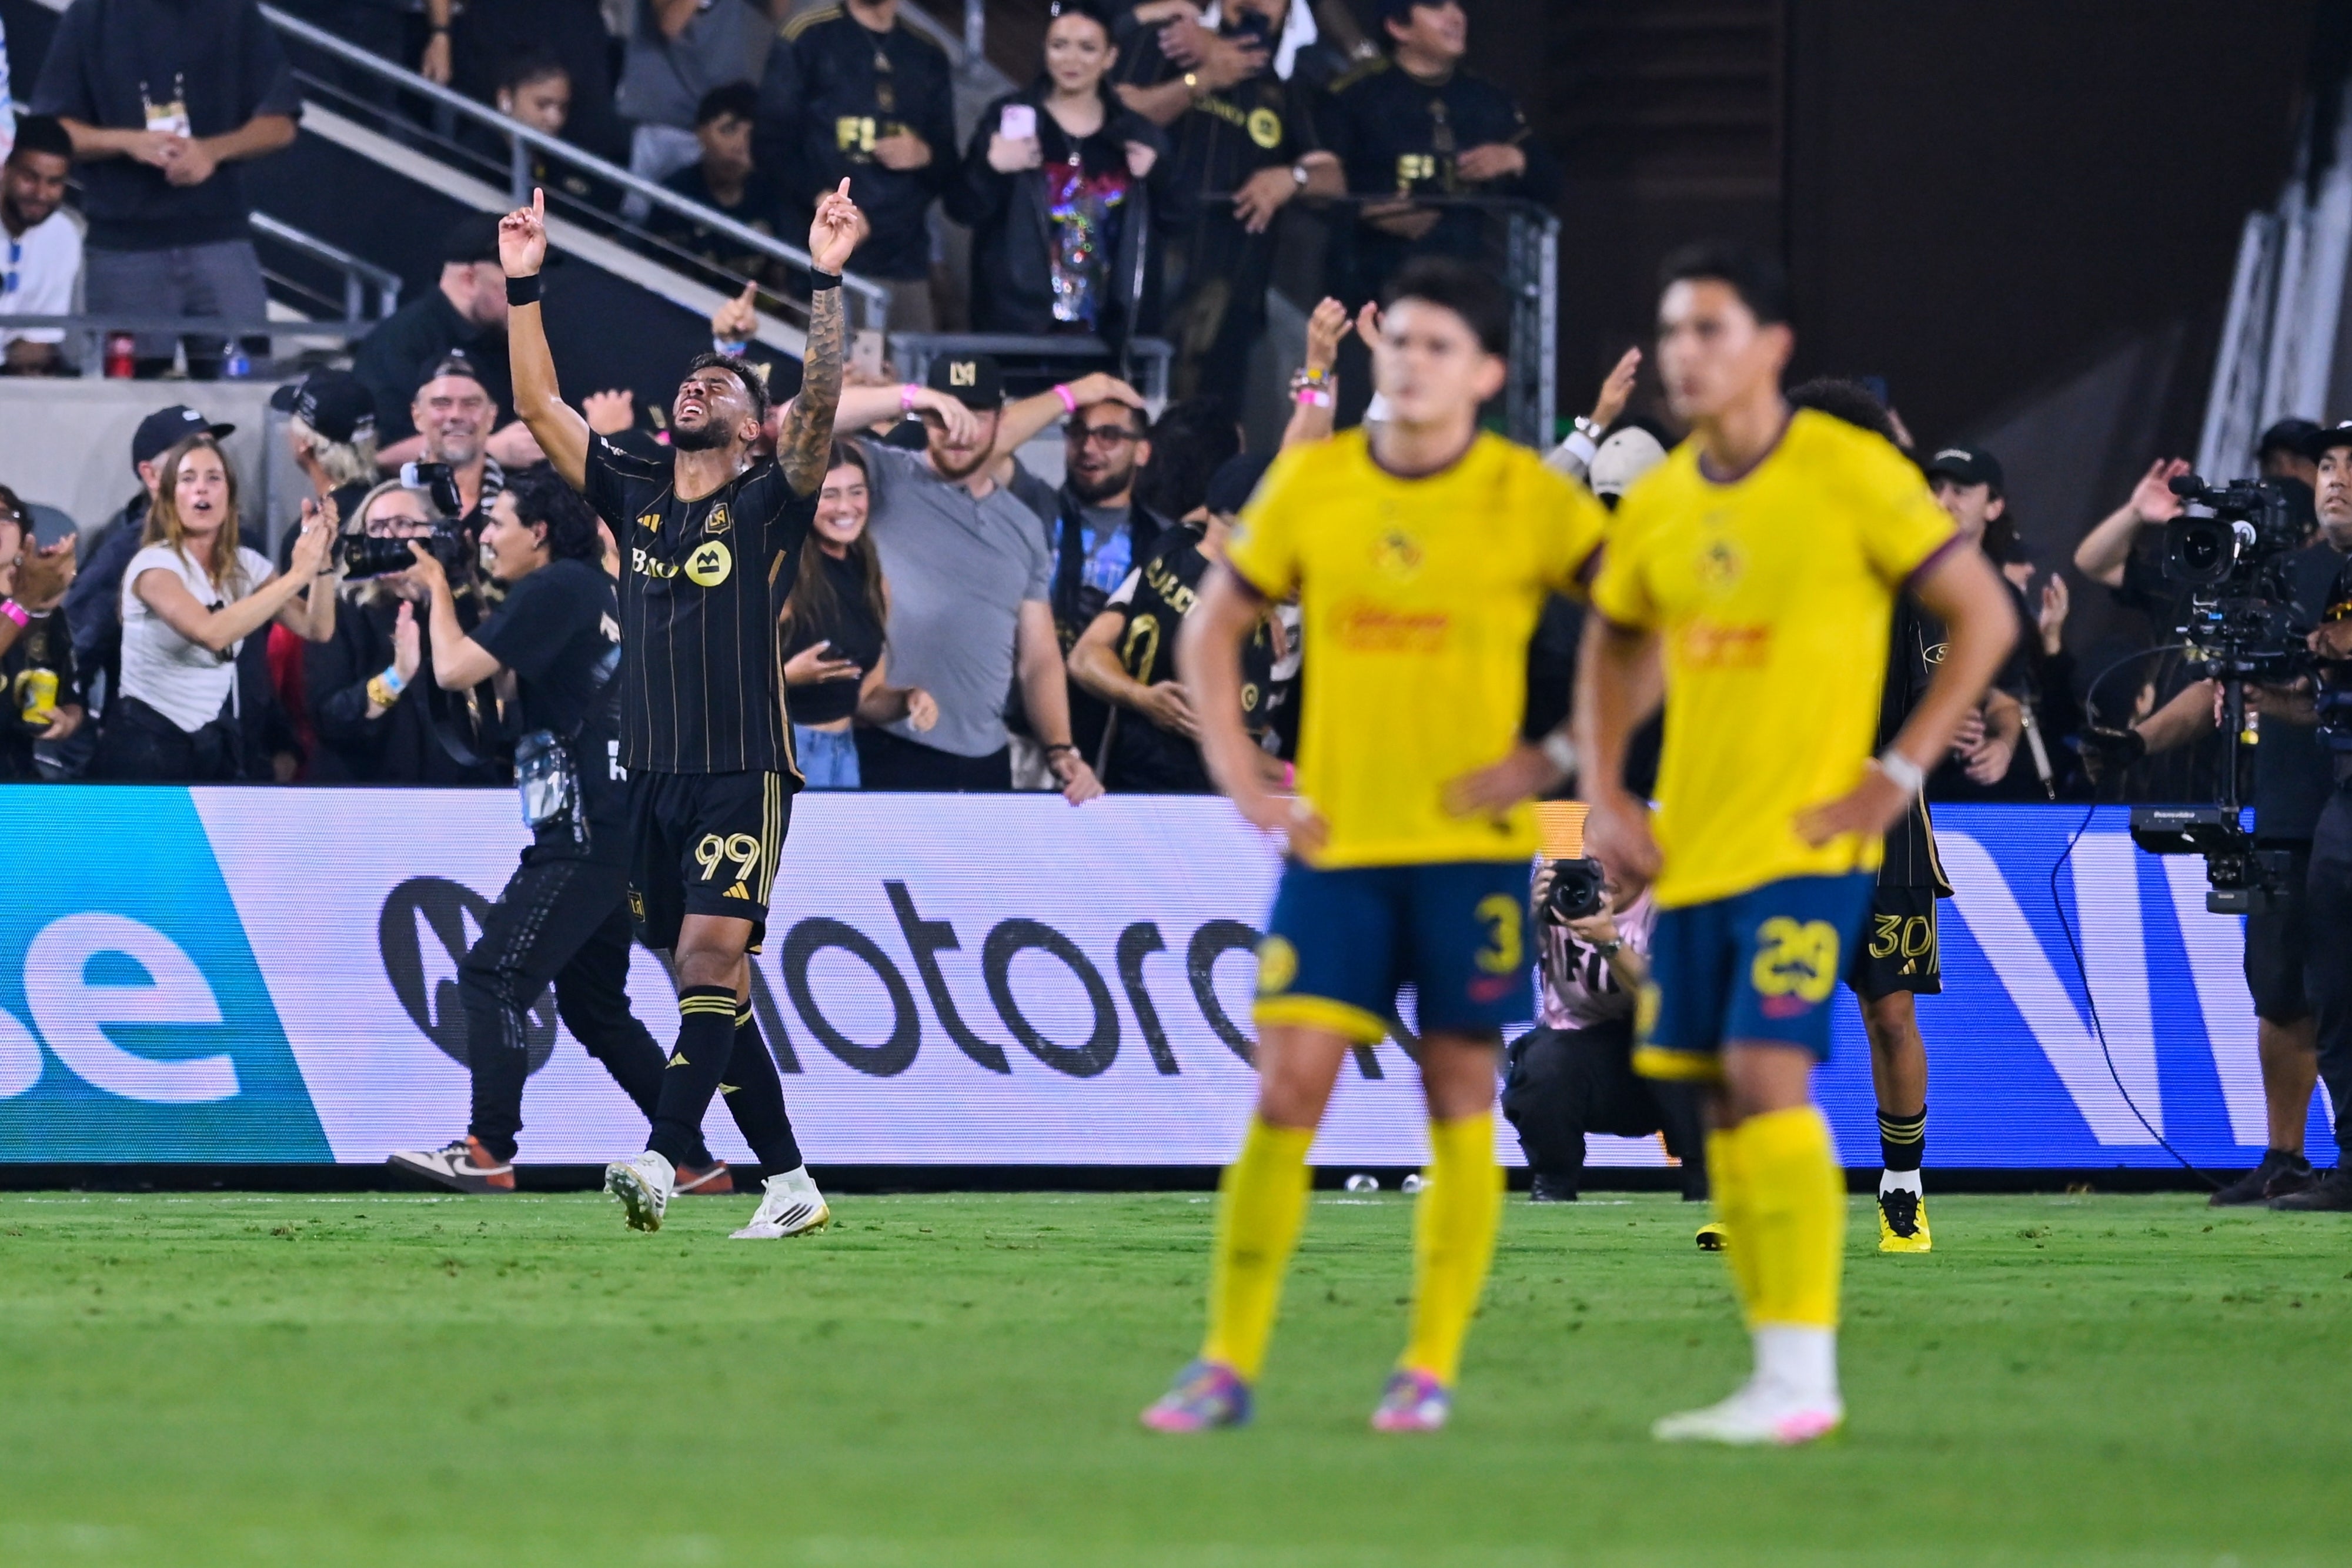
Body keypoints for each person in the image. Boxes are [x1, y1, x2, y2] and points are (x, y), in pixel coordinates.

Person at [1141, 258, 1610, 1435]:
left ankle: (1428, 1365)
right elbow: (1212, 623)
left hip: (1469, 852)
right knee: (1285, 1086)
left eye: (1436, 346)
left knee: (1456, 1088)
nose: (1407, 361)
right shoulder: (1321, 486)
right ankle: (1224, 1360)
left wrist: (1552, 756)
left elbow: (1638, 624)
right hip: (1337, 847)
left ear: (1488, 373)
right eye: (1395, 340)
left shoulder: (1528, 496)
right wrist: (1241, 771)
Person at [1571, 242, 2015, 1445]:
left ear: (1769, 346)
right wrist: (1606, 793)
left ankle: (1800, 1373)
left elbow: (1983, 614)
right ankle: (1775, 1362)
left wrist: (1896, 770)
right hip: (1696, 847)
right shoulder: (1663, 497)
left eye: (1706, 329)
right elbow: (1616, 647)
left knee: (1767, 1071)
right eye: (1668, 333)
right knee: (1712, 1087)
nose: (1680, 355)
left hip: (1808, 842)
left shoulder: (1849, 475)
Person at [501, 180, 861, 1239]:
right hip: (648, 777)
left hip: (741, 765)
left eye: (719, 382)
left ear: (755, 428)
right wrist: (526, 285)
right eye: (691, 379)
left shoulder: (767, 501)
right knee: (712, 977)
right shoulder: (633, 492)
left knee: (709, 957)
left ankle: (661, 1160)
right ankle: (790, 1182)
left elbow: (825, 406)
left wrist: (826, 278)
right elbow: (537, 409)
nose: (696, 386)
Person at [388, 467, 734, 1196]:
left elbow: (455, 671)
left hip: (582, 830)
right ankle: (695, 1163)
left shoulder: (559, 587)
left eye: (497, 524)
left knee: (493, 977)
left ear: (538, 532)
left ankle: (488, 1151)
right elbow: (505, 707)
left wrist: (438, 591)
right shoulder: (593, 591)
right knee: (597, 1009)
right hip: (619, 830)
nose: (485, 538)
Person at [2100, 417, 2352, 1208]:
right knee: (2283, 987)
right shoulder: (2290, 575)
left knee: (2339, 987)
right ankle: (2294, 1153)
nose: (2335, 477)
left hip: (2332, 802)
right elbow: (2229, 688)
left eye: (2346, 466)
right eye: (2327, 466)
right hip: (2290, 804)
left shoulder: (2330, 579)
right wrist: (2137, 742)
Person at [1782, 377, 1960, 1254]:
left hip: (1884, 822)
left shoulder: (1912, 561)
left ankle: (1902, 1190)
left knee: (1890, 1012)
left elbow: (1951, 680)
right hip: (1779, 814)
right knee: (1768, 1011)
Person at [841, 352, 1118, 799]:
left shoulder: (1025, 524)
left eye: (975, 414)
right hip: (887, 742)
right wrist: (907, 396)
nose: (959, 430)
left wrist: (1060, 747)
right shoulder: (882, 476)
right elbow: (800, 429)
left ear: (1000, 419)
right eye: (944, 415)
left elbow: (1039, 656)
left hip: (986, 758)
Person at [30, 0, 300, 379]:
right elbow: (50, 132)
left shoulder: (233, 12)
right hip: (123, 248)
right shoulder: (94, 13)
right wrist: (126, 141)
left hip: (220, 239)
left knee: (246, 389)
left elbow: (281, 122)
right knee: (122, 402)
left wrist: (212, 151)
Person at [1112, 0, 1344, 400]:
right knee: (1130, 400)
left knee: (1216, 410)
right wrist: (1201, 80)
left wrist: (1293, 177)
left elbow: (1333, 177)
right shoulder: (1173, 39)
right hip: (1144, 267)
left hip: (1236, 281)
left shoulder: (1294, 79)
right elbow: (1117, 115)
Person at [95, 434, 341, 781]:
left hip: (209, 742)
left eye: (214, 478)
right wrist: (298, 573)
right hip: (145, 744)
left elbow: (317, 627)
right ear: (170, 497)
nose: (202, 489)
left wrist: (323, 563)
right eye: (188, 479)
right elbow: (211, 633)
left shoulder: (247, 565)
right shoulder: (153, 567)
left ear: (229, 494)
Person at [951, 0, 1179, 342]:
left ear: (1110, 57)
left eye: (1088, 48)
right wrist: (991, 169)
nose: (1072, 59)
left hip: (1109, 336)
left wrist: (1157, 176)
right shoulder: (1008, 120)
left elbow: (1179, 220)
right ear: (1045, 50)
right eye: (1060, 46)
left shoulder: (1135, 135)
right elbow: (961, 209)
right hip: (1018, 326)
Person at [1320, 0, 1561, 310]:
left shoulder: (1487, 99)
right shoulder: (1355, 96)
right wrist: (1367, 213)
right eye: (1436, 6)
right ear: (1398, 26)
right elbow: (1318, 196)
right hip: (1373, 295)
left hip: (1471, 296)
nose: (1457, 16)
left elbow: (1551, 182)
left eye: (1458, 6)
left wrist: (1514, 159)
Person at [1502, 850, 1707, 1204]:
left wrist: (1608, 940)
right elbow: (1503, 984)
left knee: (1693, 1048)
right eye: (1595, 863)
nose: (1607, 874)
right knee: (1543, 1063)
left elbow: (1666, 1000)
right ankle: (1552, 1182)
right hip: (1581, 1051)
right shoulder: (1560, 898)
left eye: (1620, 858)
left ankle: (1705, 1184)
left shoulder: (1678, 899)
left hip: (1664, 1059)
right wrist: (1529, 920)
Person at [1070, 448, 1276, 792]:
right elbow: (1238, 750)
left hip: (1125, 773)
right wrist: (1294, 777)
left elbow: (1199, 517)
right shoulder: (1229, 619)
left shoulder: (1168, 548)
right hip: (1194, 799)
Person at [761, 0, 957, 328]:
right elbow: (769, 145)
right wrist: (824, 200)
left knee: (909, 378)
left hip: (904, 261)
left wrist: (925, 154)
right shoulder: (807, 34)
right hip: (824, 256)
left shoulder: (928, 51)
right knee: (823, 377)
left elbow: (950, 164)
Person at [302, 480, 500, 785]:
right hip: (367, 788)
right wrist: (396, 677)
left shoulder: (465, 603)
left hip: (459, 790)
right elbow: (328, 718)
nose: (388, 537)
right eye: (377, 528)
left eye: (402, 525)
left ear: (434, 534)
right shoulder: (340, 609)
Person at [65, 404, 237, 740]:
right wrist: (77, 741)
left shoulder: (242, 544)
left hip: (235, 752)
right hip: (158, 752)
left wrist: (277, 740)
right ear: (152, 475)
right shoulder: (125, 555)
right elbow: (76, 651)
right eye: (189, 457)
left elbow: (255, 654)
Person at [779, 440, 935, 790]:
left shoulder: (871, 578)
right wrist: (786, 677)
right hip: (780, 754)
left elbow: (866, 698)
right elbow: (714, 682)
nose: (845, 507)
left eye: (856, 492)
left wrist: (907, 700)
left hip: (843, 754)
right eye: (829, 495)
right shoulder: (781, 575)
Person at [352, 216, 538, 466]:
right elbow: (380, 456)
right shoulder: (399, 343)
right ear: (470, 280)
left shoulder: (504, 336)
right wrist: (488, 448)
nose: (529, 296)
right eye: (515, 283)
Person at [614, 0, 766, 198]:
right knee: (636, 216)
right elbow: (671, 24)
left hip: (720, 127)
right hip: (658, 121)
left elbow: (777, 11)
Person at [654, 83, 790, 279]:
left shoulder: (772, 197)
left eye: (752, 135)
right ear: (700, 133)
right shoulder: (675, 197)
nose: (740, 146)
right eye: (728, 130)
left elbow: (780, 287)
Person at [0, 485, 83, 778]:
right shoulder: (30, 602)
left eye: (5, 516)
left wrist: (67, 722)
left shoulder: (47, 611)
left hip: (19, 774)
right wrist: (26, 601)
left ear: (25, 539)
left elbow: (74, 698)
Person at [393, 356, 513, 539]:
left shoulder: (523, 504)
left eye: (471, 404)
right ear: (417, 416)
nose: (456, 415)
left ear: (492, 416)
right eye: (442, 404)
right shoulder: (389, 504)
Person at [0, 116, 82, 377]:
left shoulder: (64, 235)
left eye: (54, 182)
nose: (40, 194)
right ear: (6, 169)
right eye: (30, 178)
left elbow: (39, 342)